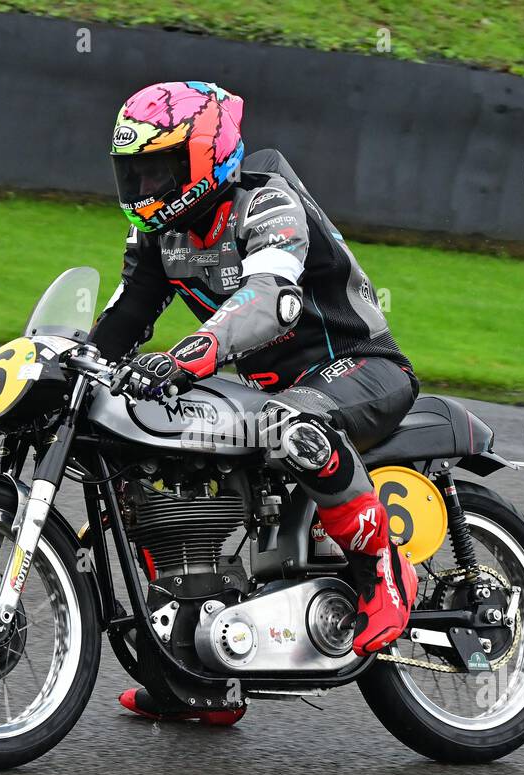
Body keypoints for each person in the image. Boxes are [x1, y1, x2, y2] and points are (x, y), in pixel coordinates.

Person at [90, 81, 420, 724]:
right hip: (262, 385)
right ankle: (199, 674)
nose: (143, 187)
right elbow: (126, 314)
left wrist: (193, 353)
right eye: (134, 172)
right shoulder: (162, 234)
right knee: (152, 449)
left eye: (157, 169)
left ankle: (386, 572)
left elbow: (272, 297)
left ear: (206, 156)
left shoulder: (268, 201)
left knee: (290, 422)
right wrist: (69, 362)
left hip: (358, 368)